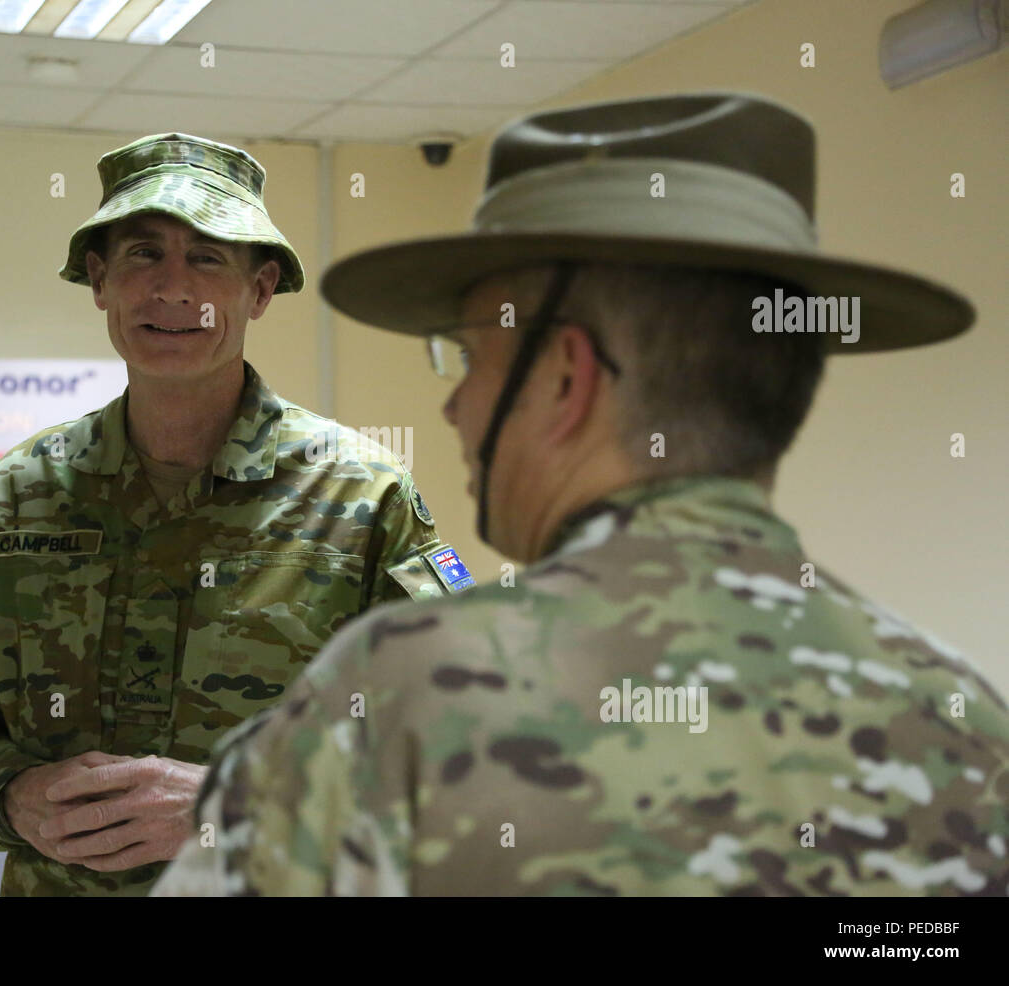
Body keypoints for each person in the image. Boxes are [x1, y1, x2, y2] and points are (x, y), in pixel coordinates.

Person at [152, 94, 1009, 896]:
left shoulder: (404, 697)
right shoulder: (962, 716)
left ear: (566, 376)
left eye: (468, 357)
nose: (453, 405)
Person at [0, 132, 474, 896]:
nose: (173, 289)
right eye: (143, 253)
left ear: (261, 289)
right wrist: (9, 799)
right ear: (100, 280)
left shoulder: (360, 497)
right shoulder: (25, 491)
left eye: (208, 258)